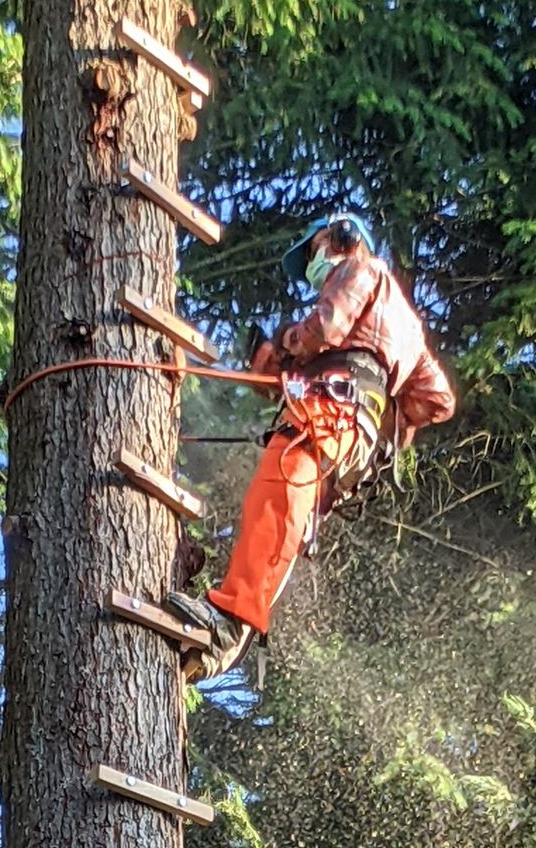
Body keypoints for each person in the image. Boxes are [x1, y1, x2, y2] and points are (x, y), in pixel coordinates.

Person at [170, 215, 455, 679]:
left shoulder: (362, 269)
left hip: (331, 409)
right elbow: (437, 401)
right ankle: (230, 633)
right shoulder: (410, 332)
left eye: (314, 249)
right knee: (290, 515)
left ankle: (230, 621)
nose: (312, 264)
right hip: (354, 433)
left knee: (276, 496)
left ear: (343, 238)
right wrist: (385, 410)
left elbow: (326, 328)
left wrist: (288, 345)